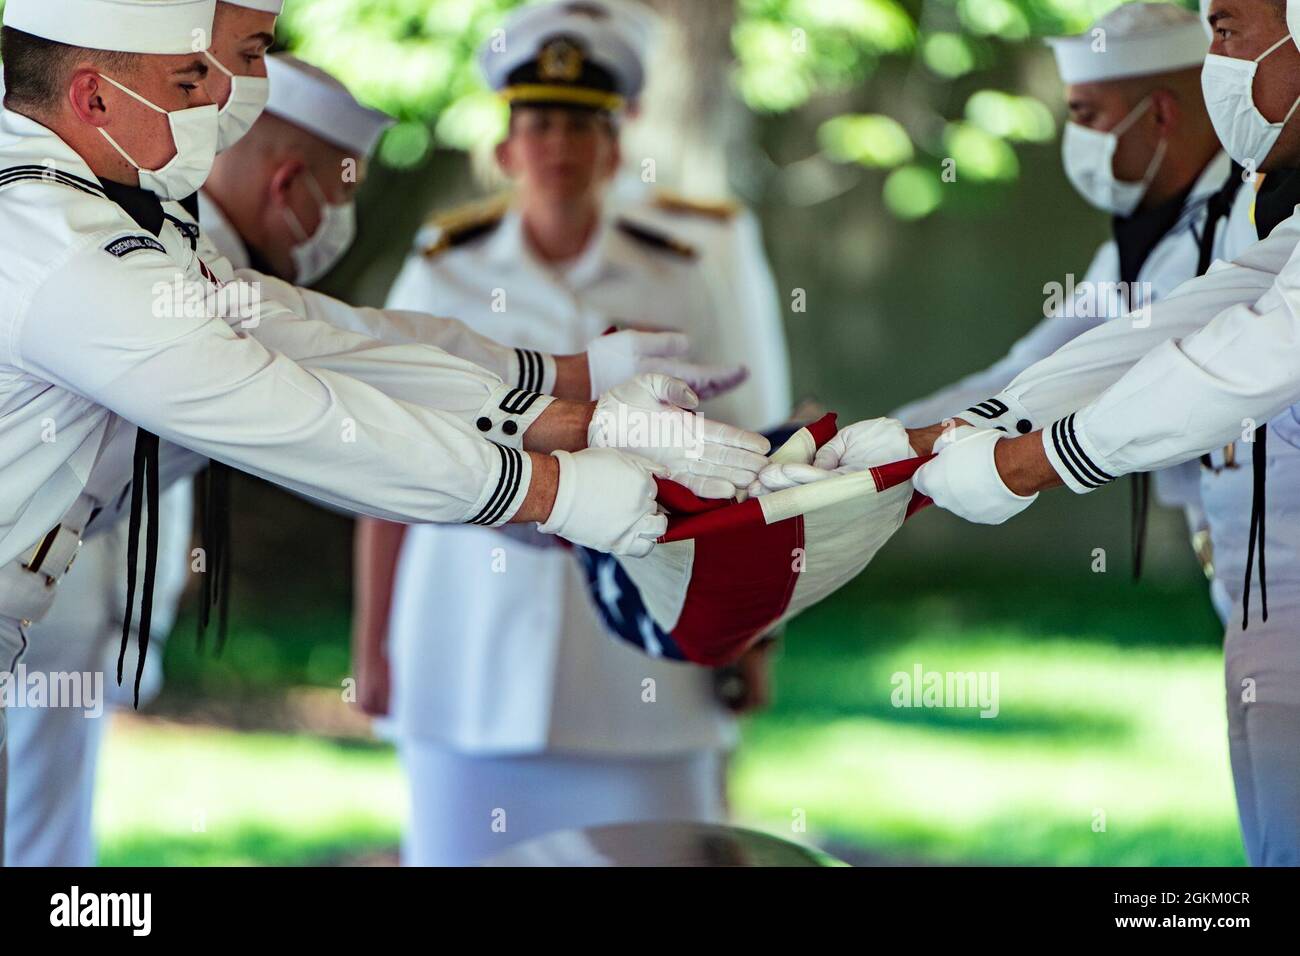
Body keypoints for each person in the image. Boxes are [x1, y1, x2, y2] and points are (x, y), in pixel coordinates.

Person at [0, 0, 771, 856]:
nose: (220, 100)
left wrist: (570, 398)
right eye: (193, 80)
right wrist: (555, 491)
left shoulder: (102, 217)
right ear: (93, 97)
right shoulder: (61, 242)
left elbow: (325, 342)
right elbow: (295, 416)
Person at [802, 0, 1300, 865]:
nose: (1218, 56)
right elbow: (1163, 328)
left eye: (1227, 31)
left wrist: (1031, 463)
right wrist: (943, 438)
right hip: (1264, 605)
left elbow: (1246, 355)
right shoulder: (1271, 216)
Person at [350, 7, 792, 866]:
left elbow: (757, 465)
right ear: (506, 148)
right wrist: (371, 644)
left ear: (615, 148)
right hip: (464, 650)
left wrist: (754, 642)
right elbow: (384, 464)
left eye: (581, 125)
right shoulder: (444, 269)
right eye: (538, 123)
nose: (558, 145)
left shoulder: (688, 270)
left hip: (641, 663)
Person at [889, 2, 1244, 608]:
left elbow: (1148, 378)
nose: (1072, 136)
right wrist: (886, 442)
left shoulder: (1251, 221)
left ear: (1159, 113)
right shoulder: (1143, 235)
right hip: (1237, 559)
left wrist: (1014, 463)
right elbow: (1037, 367)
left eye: (1086, 115)